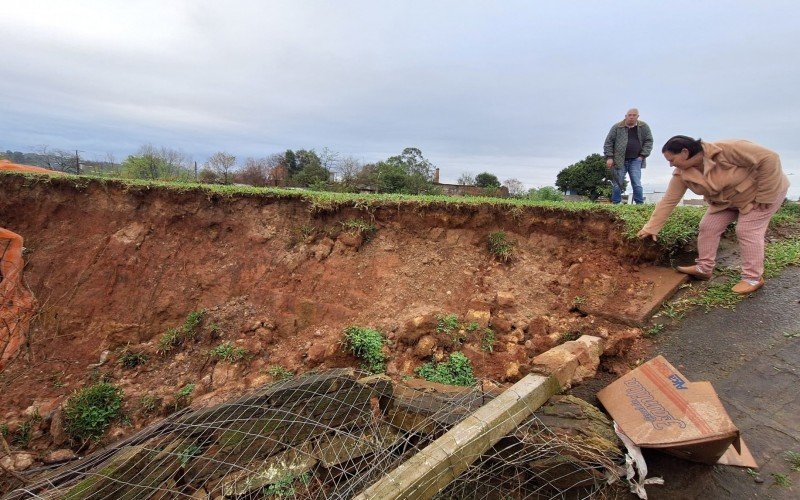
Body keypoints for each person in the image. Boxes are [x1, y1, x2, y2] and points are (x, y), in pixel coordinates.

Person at [637, 136, 790, 294]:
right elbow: (669, 200)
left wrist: (766, 195)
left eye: (672, 159)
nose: (670, 164)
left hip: (759, 195)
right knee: (708, 227)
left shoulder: (728, 149)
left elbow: (769, 158)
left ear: (684, 152)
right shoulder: (682, 174)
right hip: (725, 202)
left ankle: (753, 278)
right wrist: (651, 228)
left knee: (747, 230)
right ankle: (704, 268)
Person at [603, 108, 654, 204]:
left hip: (636, 159)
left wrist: (642, 156)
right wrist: (609, 157)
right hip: (619, 160)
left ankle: (639, 204)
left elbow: (649, 141)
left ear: (637, 117)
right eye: (629, 115)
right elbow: (608, 142)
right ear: (625, 116)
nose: (631, 117)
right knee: (617, 183)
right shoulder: (617, 127)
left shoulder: (644, 127)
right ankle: (616, 203)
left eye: (634, 115)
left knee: (636, 183)